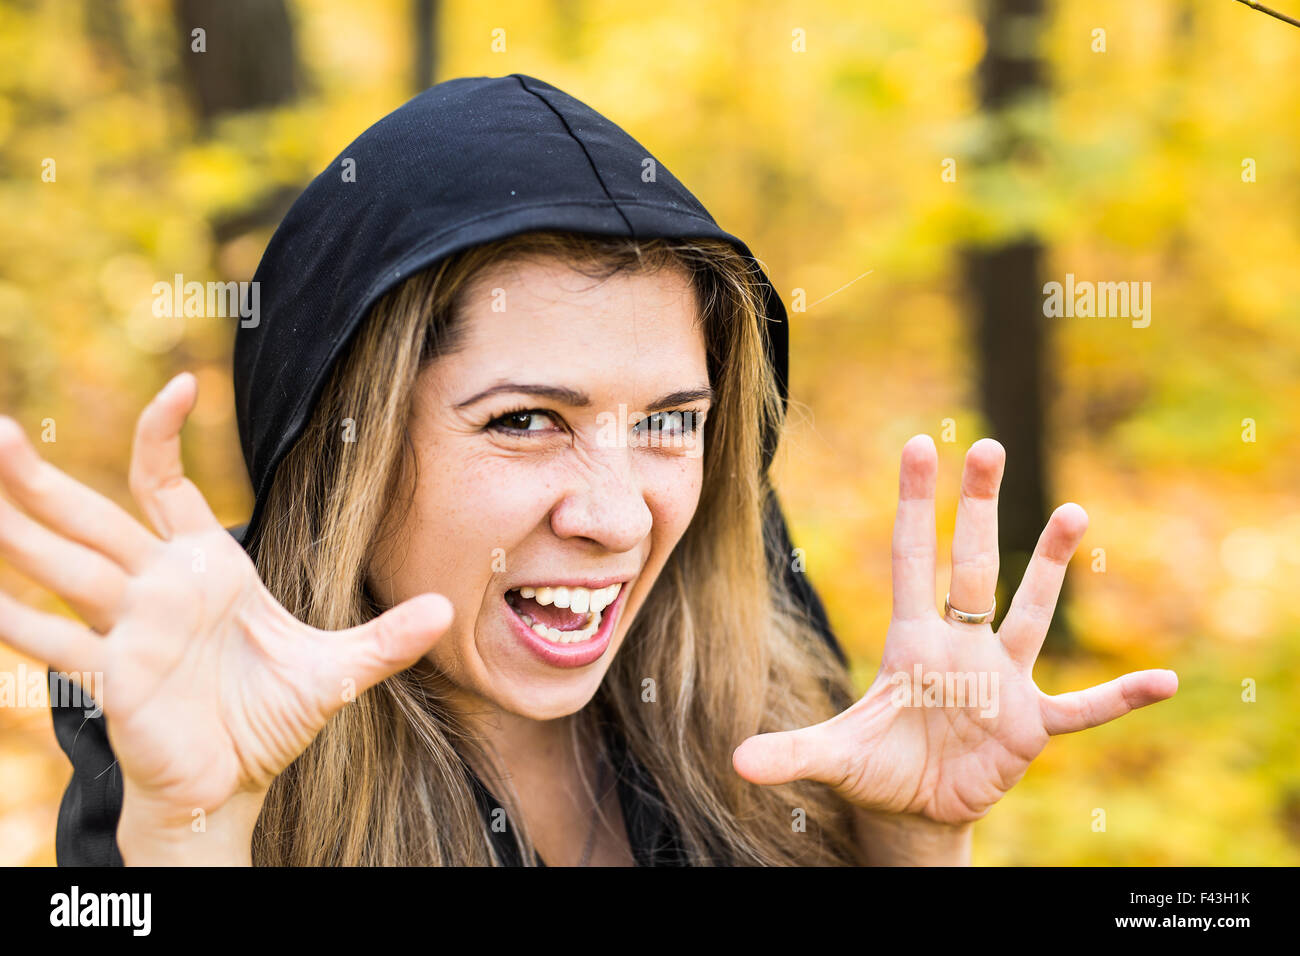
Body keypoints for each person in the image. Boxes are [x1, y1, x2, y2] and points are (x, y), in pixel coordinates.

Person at [0, 74, 1177, 867]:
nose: (617, 515)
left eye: (671, 420)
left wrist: (909, 845)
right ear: (341, 451)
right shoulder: (187, 763)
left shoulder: (774, 704)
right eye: (523, 421)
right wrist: (189, 832)